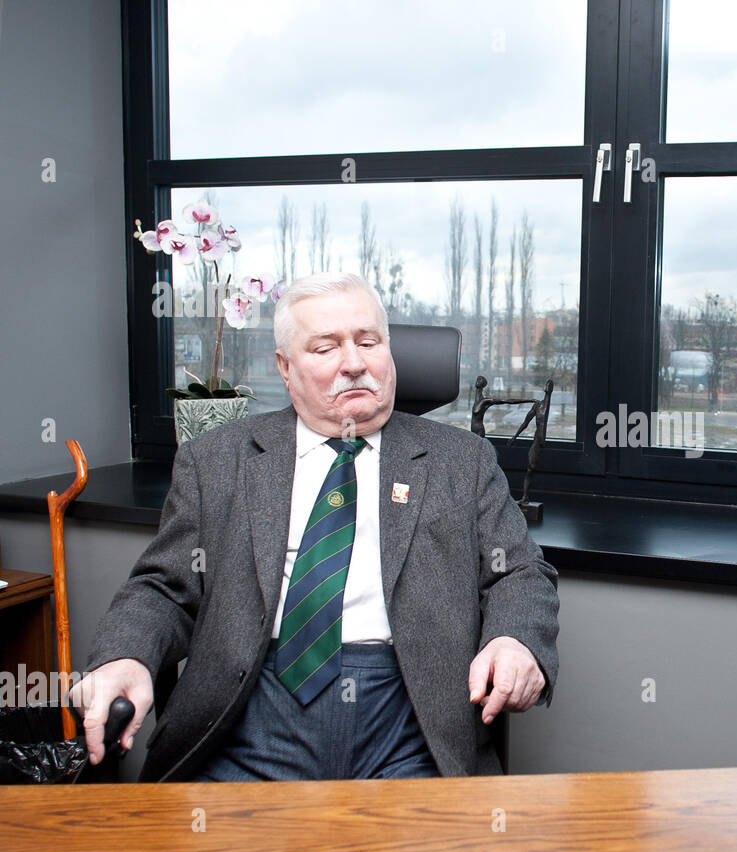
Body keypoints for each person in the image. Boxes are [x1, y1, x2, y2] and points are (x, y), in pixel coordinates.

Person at [72, 272, 559, 781]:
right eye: (326, 348)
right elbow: (163, 588)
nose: (354, 363)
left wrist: (516, 640)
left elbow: (520, 574)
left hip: (409, 724)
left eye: (368, 341)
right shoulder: (216, 460)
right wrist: (125, 657)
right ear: (285, 367)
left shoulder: (461, 460)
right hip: (249, 717)